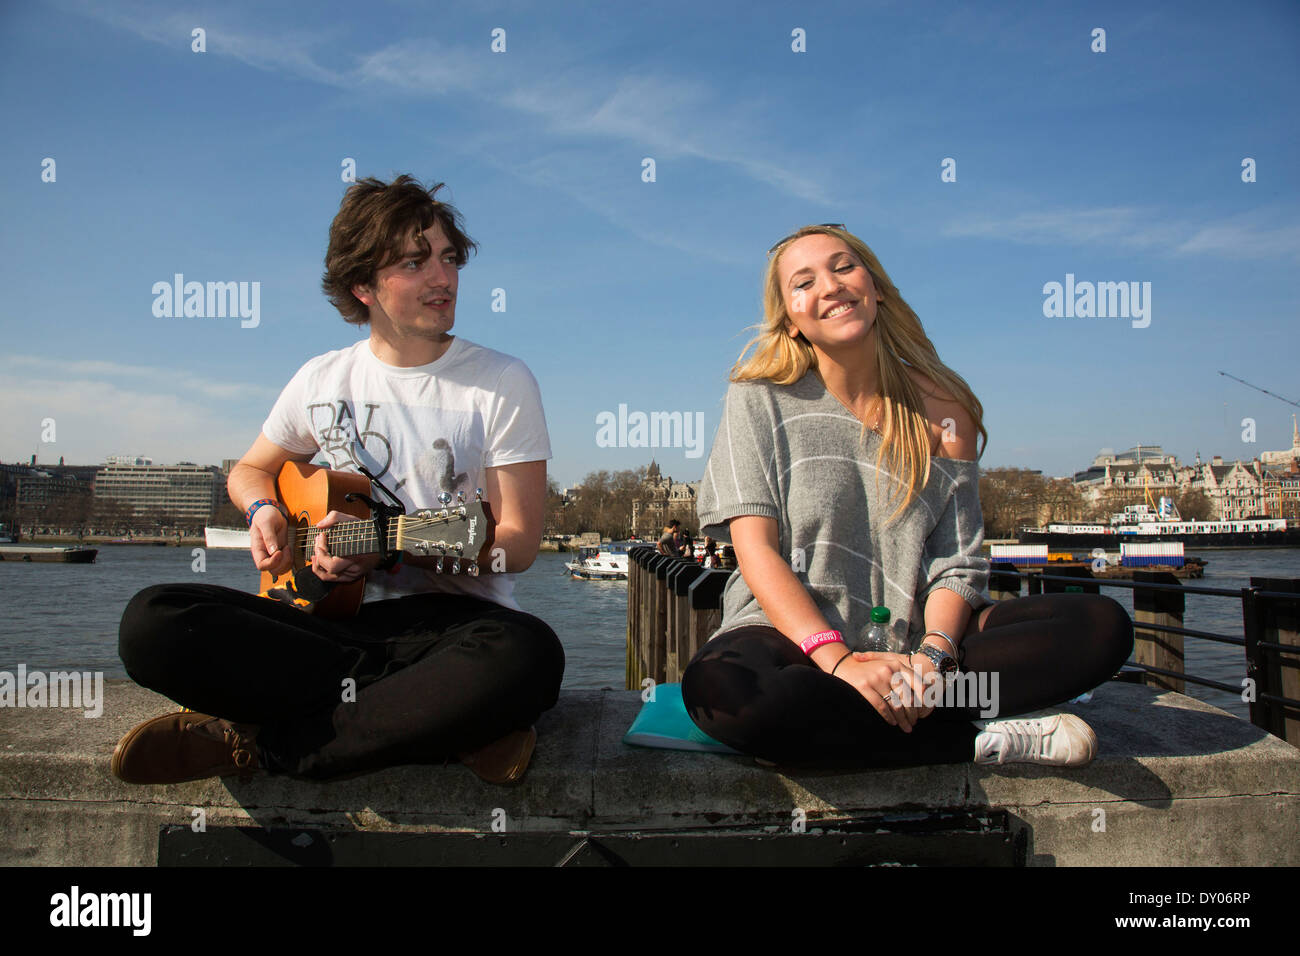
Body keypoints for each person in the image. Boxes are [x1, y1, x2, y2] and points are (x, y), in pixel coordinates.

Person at [112, 175, 564, 786]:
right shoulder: (320, 379)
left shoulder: (502, 381)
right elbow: (248, 470)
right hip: (322, 626)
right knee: (154, 620)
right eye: (415, 261)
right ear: (362, 286)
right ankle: (442, 727)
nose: (444, 277)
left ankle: (259, 746)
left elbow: (518, 544)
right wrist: (262, 512)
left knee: (528, 658)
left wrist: (393, 542)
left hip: (450, 631)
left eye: (449, 258)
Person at [681, 225, 1133, 769]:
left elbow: (957, 563)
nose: (829, 286)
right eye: (804, 282)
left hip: (917, 644)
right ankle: (973, 741)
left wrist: (932, 657)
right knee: (726, 690)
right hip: (794, 637)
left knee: (1101, 627)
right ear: (791, 319)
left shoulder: (945, 411)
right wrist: (840, 660)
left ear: (875, 288)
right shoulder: (758, 399)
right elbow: (757, 551)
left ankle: (866, 718)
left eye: (843, 266)